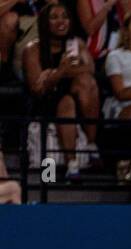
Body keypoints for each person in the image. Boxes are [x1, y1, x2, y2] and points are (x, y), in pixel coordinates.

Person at [22, 2, 100, 166]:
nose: (61, 21)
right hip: (43, 109)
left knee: (83, 85)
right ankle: (47, 182)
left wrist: (52, 74)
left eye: (65, 17)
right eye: (54, 17)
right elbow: (37, 89)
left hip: (70, 101)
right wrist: (62, 71)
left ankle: (85, 152)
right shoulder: (33, 49)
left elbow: (89, 70)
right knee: (48, 170)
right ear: (44, 22)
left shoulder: (75, 44)